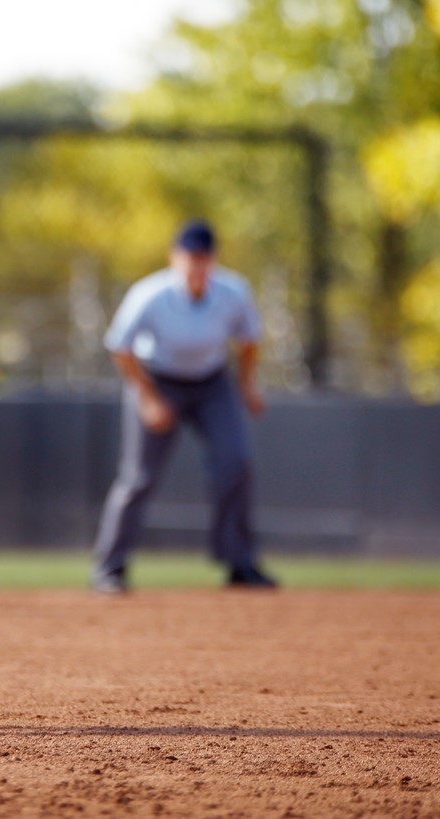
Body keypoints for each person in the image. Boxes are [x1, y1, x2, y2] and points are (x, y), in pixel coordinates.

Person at [90, 218, 276, 594]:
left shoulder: (233, 290)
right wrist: (148, 399)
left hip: (211, 382)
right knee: (137, 476)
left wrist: (247, 387)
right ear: (174, 258)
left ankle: (239, 562)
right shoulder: (150, 294)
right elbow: (120, 347)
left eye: (204, 257)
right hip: (158, 380)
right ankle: (109, 568)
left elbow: (249, 340)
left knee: (237, 460)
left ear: (214, 260)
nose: (197, 265)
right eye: (190, 257)